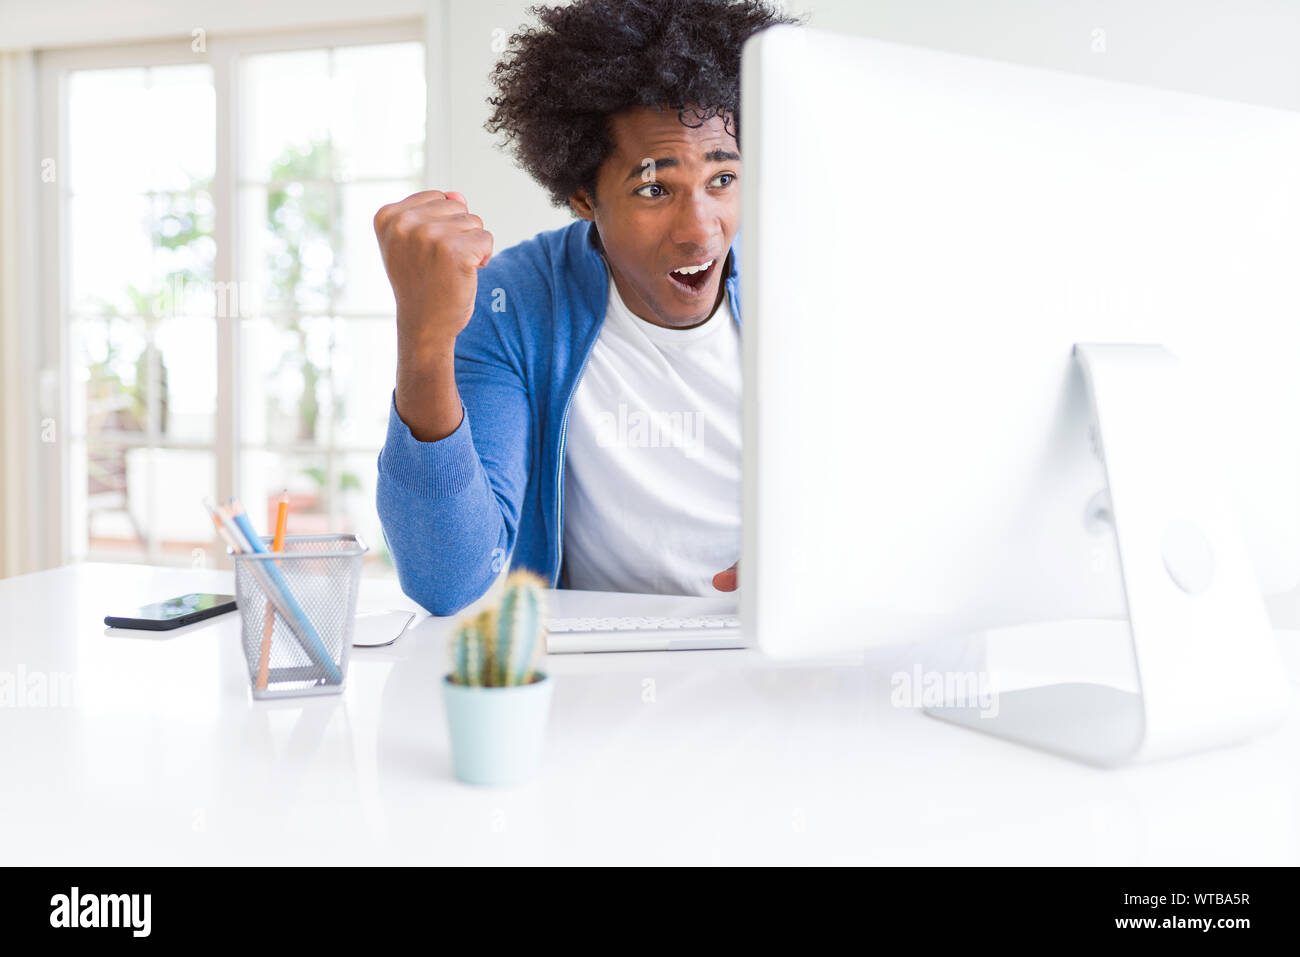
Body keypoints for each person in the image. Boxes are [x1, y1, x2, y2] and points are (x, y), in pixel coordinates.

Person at [374, 0, 802, 615]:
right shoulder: (514, 302)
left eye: (722, 180)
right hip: (599, 673)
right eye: (655, 189)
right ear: (582, 196)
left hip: (777, 647)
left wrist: (810, 555)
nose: (700, 230)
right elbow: (447, 578)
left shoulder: (803, 286)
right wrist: (424, 340)